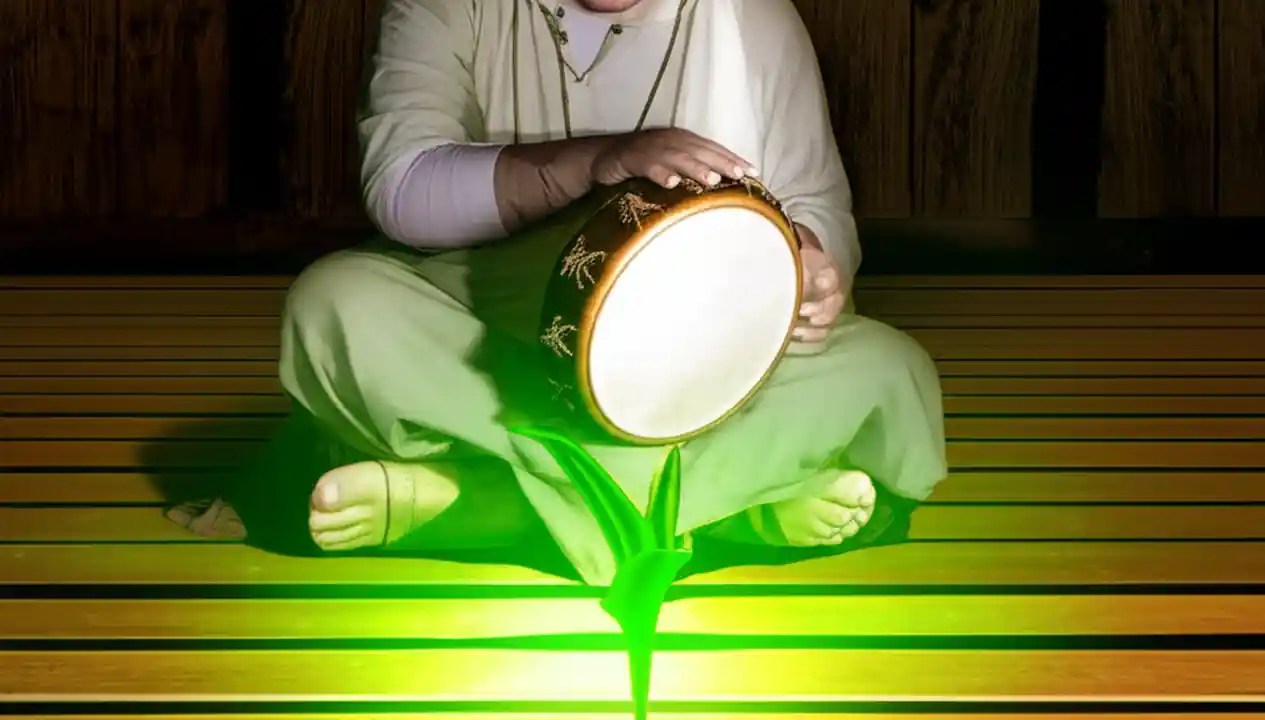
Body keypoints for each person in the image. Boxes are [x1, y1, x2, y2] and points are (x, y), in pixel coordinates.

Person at [170, 0, 948, 587]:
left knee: (887, 366)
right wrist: (596, 161)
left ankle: (477, 504)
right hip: (494, 320)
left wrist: (810, 263)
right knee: (335, 305)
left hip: (696, 358)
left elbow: (814, 203)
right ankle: (733, 508)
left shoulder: (754, 17)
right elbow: (402, 187)